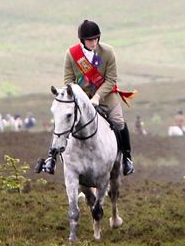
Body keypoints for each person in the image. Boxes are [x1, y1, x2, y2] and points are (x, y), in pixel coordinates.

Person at [38, 20, 136, 176]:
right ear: (82, 40)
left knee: (118, 122)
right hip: (81, 99)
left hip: (106, 96)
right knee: (63, 121)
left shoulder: (108, 52)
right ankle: (51, 158)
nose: (94, 42)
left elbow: (111, 80)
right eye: (90, 40)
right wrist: (81, 97)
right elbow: (68, 80)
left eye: (96, 39)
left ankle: (127, 158)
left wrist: (97, 96)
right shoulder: (72, 54)